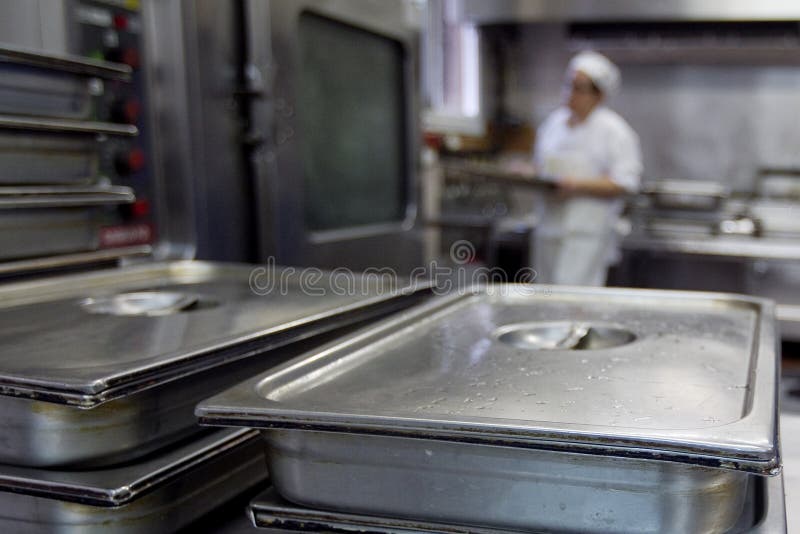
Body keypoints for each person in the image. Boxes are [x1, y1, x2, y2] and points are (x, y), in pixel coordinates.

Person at [531, 50, 642, 286]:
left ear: (599, 95)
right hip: (549, 231)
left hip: (586, 236)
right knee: (545, 301)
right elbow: (541, 168)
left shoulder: (614, 131)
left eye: (578, 88)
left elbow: (625, 183)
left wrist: (576, 185)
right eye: (568, 85)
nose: (570, 94)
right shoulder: (553, 125)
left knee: (575, 306)